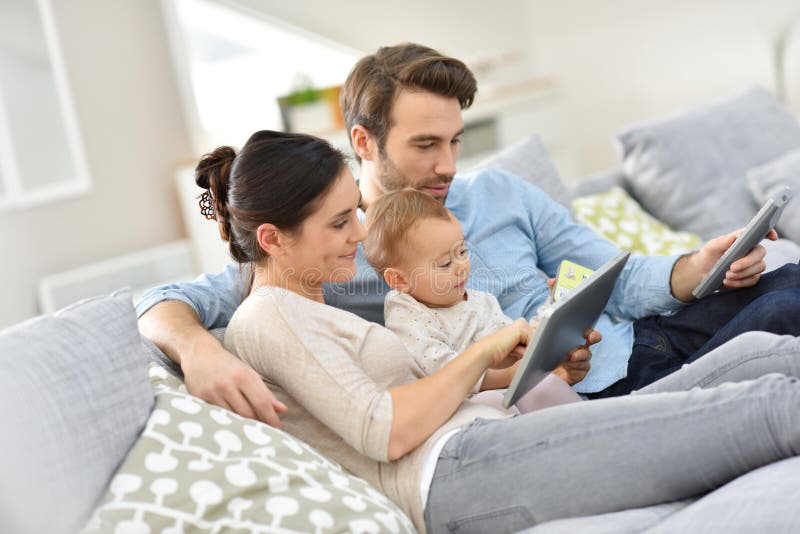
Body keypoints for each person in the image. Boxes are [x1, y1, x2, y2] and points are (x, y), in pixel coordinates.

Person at [136, 42, 800, 426]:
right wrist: (198, 351)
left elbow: (615, 273)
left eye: (455, 141)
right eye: (426, 145)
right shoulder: (328, 252)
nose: (449, 165)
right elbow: (164, 300)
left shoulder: (500, 193)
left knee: (787, 278)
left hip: (650, 334)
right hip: (605, 391)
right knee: (784, 311)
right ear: (364, 142)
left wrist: (697, 267)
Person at [198, 129, 800, 533]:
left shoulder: (316, 306)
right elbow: (385, 429)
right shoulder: (268, 316)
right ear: (273, 239)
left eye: (355, 210)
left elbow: (429, 390)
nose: (359, 233)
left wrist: (525, 362)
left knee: (760, 353)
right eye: (339, 223)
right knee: (768, 409)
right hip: (454, 472)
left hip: (498, 428)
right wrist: (487, 349)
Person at [363, 188, 583, 413]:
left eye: (462, 252)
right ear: (400, 280)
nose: (461, 266)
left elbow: (518, 343)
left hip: (507, 390)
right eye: (445, 264)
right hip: (454, 407)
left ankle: (591, 425)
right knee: (491, 403)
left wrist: (553, 309)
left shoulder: (480, 301)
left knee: (546, 386)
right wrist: (509, 375)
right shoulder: (407, 315)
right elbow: (443, 371)